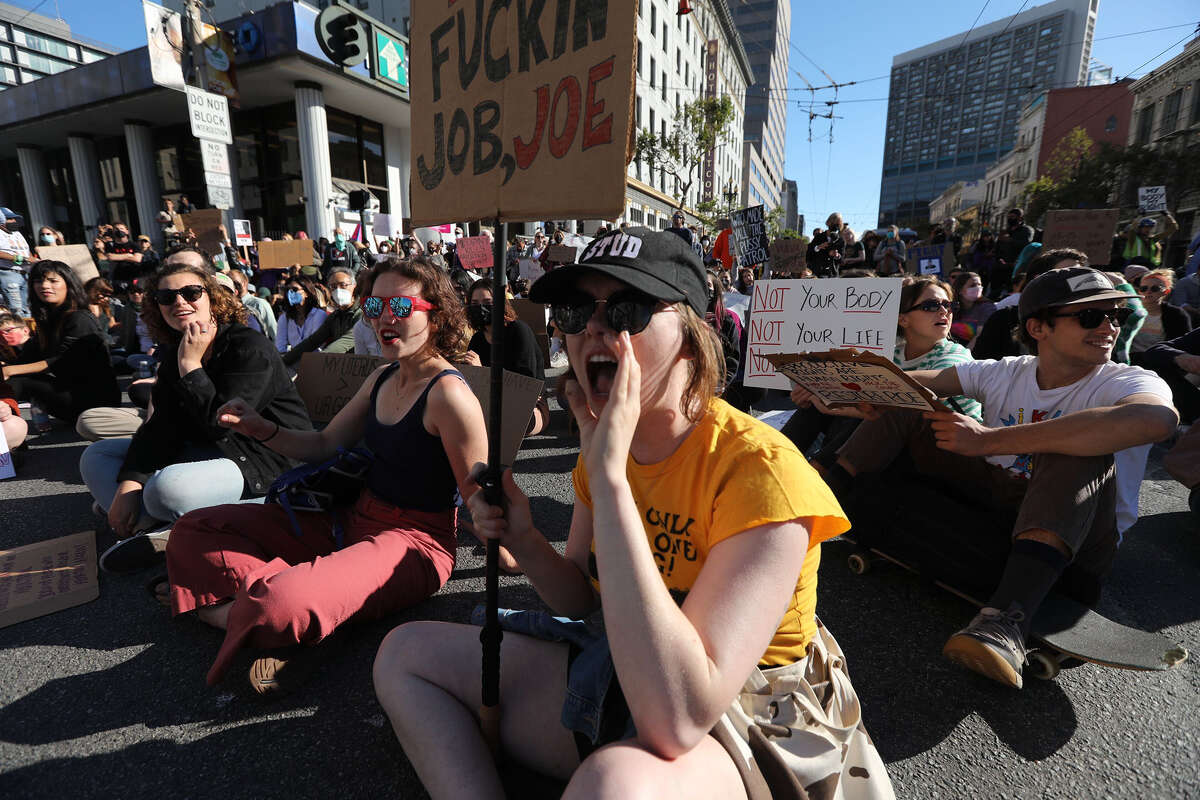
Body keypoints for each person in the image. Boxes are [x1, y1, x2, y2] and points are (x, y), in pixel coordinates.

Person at [373, 227, 883, 798]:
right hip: (619, 663)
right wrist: (526, 538)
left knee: (612, 785)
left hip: (740, 717)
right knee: (404, 654)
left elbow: (679, 717)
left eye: (627, 308)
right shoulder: (607, 452)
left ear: (692, 336)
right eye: (575, 310)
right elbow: (581, 600)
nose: (595, 326)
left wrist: (612, 480)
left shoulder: (760, 471)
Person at [824, 266, 1176, 688]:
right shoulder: (1007, 371)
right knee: (913, 402)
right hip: (1001, 505)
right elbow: (912, 382)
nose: (1108, 327)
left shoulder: (1130, 380)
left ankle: (1006, 622)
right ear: (1038, 327)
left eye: (1113, 316)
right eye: (1089, 317)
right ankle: (813, 511)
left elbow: (1156, 419)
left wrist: (988, 440)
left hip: (1074, 540)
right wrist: (839, 390)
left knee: (1077, 447)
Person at [163, 255, 487, 693]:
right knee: (193, 527)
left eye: (402, 307)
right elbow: (323, 444)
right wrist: (261, 428)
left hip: (413, 543)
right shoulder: (382, 376)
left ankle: (224, 607)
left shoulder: (449, 394)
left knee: (281, 603)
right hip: (349, 520)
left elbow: (477, 495)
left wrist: (510, 553)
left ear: (438, 315)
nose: (385, 319)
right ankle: (299, 607)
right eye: (374, 307)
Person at [78, 248, 313, 572]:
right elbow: (160, 427)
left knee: (166, 489)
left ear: (213, 299)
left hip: (263, 459)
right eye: (166, 297)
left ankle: (180, 527)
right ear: (157, 308)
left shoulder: (248, 346)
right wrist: (129, 485)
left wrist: (191, 365)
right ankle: (149, 531)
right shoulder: (175, 351)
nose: (179, 302)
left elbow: (223, 424)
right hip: (206, 452)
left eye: (191, 292)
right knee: (98, 456)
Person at [784, 276, 981, 468]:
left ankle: (822, 477)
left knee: (873, 411)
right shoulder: (893, 354)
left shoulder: (954, 356)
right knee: (817, 404)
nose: (944, 312)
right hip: (904, 443)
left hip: (952, 453)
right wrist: (814, 391)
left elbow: (897, 407)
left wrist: (829, 401)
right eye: (931, 306)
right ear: (903, 319)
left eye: (949, 306)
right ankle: (775, 459)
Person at [2, 260, 118, 423]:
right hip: (68, 393)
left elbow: (63, 361)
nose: (44, 285)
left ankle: (8, 436)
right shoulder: (47, 319)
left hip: (96, 403)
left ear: (68, 285)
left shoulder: (80, 317)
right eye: (38, 281)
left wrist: (10, 371)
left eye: (53, 280)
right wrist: (6, 368)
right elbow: (29, 357)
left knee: (21, 381)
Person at [462, 278, 548, 436]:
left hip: (528, 407)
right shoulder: (477, 340)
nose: (480, 307)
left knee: (506, 422)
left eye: (487, 301)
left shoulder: (519, 331)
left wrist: (482, 372)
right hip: (490, 404)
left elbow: (524, 385)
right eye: (475, 303)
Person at [280, 268, 363, 368]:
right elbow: (313, 341)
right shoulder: (335, 317)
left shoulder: (362, 314)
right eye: (333, 287)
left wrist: (317, 360)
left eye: (343, 285)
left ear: (354, 286)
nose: (338, 290)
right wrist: (282, 361)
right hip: (342, 368)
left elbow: (345, 342)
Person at [1129, 269, 1190, 360]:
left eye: (1155, 289)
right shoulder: (1129, 311)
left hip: (1160, 362)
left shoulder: (1177, 315)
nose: (1148, 292)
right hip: (1130, 360)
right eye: (1144, 288)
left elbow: (1182, 345)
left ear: (1166, 292)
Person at [275, 275, 328, 354]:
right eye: (287, 290)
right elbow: (280, 347)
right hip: (292, 362)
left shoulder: (319, 315)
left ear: (307, 293)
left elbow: (316, 346)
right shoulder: (285, 318)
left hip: (314, 360)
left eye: (294, 289)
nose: (290, 293)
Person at [0, 207, 32, 317]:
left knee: (27, 308)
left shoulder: (17, 233)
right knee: (16, 309)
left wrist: (33, 260)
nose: (13, 221)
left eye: (14, 219)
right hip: (9, 273)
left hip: (24, 273)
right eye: (9, 219)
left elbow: (26, 251)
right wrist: (21, 259)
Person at [949, 271, 995, 347]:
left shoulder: (987, 307)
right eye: (972, 285)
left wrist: (965, 355)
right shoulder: (952, 307)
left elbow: (979, 335)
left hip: (976, 351)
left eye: (979, 285)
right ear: (960, 290)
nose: (977, 288)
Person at [230, 268, 276, 341]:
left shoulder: (259, 304)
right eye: (228, 282)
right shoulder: (228, 307)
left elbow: (273, 332)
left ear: (244, 283)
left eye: (234, 282)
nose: (231, 285)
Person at [807, 213, 844, 277]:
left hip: (832, 273)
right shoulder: (819, 237)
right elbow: (809, 251)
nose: (834, 226)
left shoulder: (841, 240)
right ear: (828, 222)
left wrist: (837, 255)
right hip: (817, 272)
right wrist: (818, 247)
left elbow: (841, 258)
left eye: (837, 224)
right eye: (833, 223)